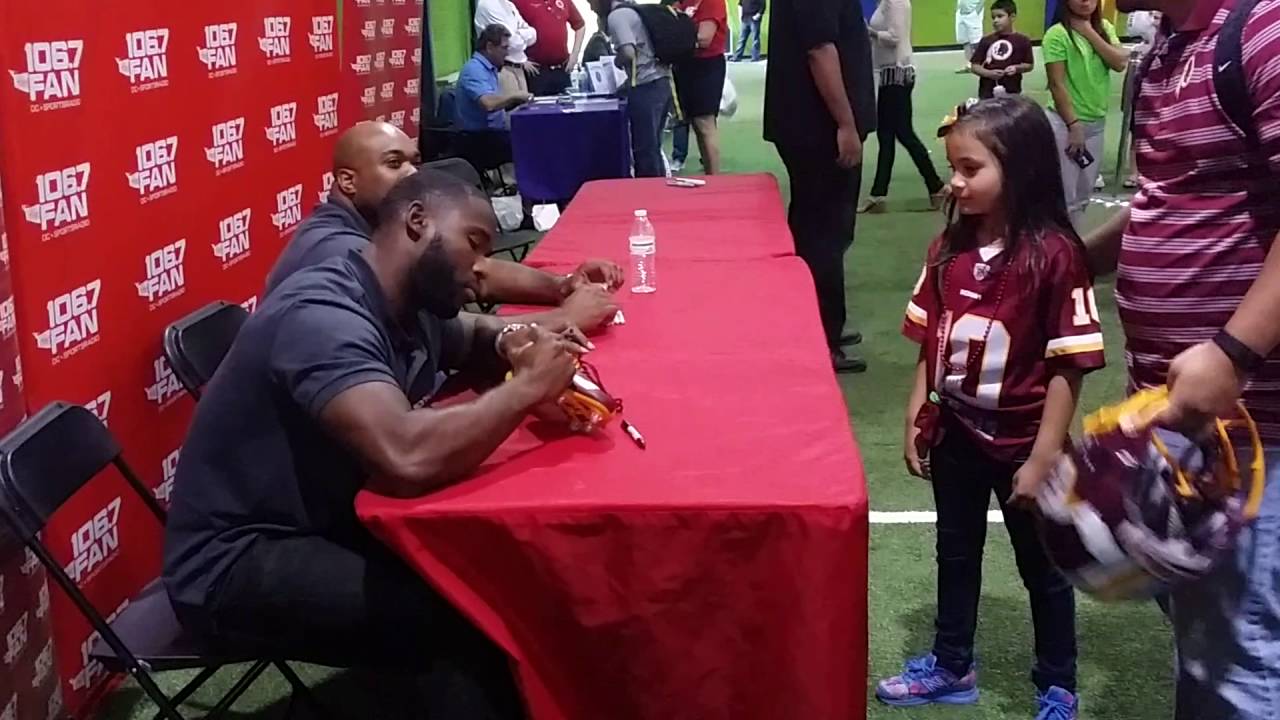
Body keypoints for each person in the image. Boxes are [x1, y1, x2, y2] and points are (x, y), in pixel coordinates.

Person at [164, 170, 586, 717]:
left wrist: (519, 342)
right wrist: (527, 387)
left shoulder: (405, 300)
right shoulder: (323, 313)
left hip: (327, 517)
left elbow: (473, 337)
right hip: (237, 560)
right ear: (417, 222)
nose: (483, 268)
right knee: (463, 608)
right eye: (474, 244)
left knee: (491, 571)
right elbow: (405, 454)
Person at [878, 96, 1103, 720]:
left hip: (1025, 441)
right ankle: (953, 664)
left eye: (971, 169)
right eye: (953, 167)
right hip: (956, 432)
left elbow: (1068, 366)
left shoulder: (1054, 255)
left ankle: (1057, 682)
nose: (956, 182)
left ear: (1022, 167)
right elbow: (931, 339)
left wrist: (1043, 455)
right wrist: (914, 414)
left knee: (1044, 570)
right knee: (955, 552)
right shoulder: (947, 248)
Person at [1086, 1, 1280, 717]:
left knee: (1240, 670)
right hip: (1182, 422)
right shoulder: (1168, 45)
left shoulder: (1263, 30)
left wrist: (1233, 353)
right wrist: (1064, 262)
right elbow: (1167, 200)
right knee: (1207, 648)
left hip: (1256, 429)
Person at [267, 122, 622, 342]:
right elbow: (449, 331)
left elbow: (474, 269)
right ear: (347, 181)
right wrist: (562, 319)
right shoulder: (338, 252)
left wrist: (563, 286)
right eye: (394, 164)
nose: (412, 175)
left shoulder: (382, 228)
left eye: (414, 163)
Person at [764, 0, 876, 373]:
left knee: (820, 229)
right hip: (818, 127)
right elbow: (819, 49)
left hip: (809, 124)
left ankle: (822, 326)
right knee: (824, 235)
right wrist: (845, 123)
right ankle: (820, 336)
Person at [1042, 0, 1126, 227]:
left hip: (1096, 123)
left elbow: (1119, 62)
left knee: (1083, 194)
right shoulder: (1056, 34)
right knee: (1064, 195)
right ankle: (1057, 250)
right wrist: (1073, 124)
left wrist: (1088, 32)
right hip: (1065, 124)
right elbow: (1056, 84)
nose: (1085, 1)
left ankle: (1071, 245)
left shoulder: (1105, 28)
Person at [859, 0, 947, 214]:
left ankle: (936, 186)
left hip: (897, 73)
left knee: (902, 134)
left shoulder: (894, 2)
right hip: (891, 72)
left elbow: (894, 37)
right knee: (888, 135)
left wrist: (869, 32)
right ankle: (879, 193)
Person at [592, 0, 673, 178]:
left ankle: (648, 196)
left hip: (645, 86)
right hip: (663, 82)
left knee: (644, 151)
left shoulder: (616, 16)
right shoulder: (633, 11)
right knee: (653, 148)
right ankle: (660, 193)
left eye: (591, 2)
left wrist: (616, 61)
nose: (591, 7)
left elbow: (628, 53)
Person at [455, 25, 534, 168]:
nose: (507, 53)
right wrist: (515, 95)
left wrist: (515, 101)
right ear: (490, 47)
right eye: (504, 48)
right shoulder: (474, 70)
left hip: (492, 134)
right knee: (532, 144)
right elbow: (489, 103)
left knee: (532, 134)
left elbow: (497, 103)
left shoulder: (489, 68)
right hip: (479, 140)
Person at [673, 0, 728, 175]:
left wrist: (675, 36)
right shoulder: (682, 2)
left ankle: (714, 176)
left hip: (706, 66)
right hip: (685, 65)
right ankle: (709, 173)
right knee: (697, 124)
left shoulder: (712, 2)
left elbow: (704, 38)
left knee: (705, 123)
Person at [513, 0, 587, 96]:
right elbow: (508, 29)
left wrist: (574, 55)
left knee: (566, 107)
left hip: (562, 69)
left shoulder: (565, 1)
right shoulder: (519, 2)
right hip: (536, 72)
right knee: (537, 109)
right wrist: (521, 60)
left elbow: (580, 26)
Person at [970, 0, 1034, 99]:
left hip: (1012, 91)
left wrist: (1016, 68)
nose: (995, 20)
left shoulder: (1023, 40)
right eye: (993, 17)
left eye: (1000, 16)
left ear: (1012, 17)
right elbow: (975, 66)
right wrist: (989, 74)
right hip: (987, 93)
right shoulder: (986, 40)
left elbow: (1029, 65)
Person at [475, 0, 539, 99]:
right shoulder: (487, 4)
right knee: (511, 111)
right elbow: (511, 42)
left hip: (519, 69)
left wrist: (519, 34)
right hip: (503, 68)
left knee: (525, 109)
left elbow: (533, 34)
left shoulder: (509, 5)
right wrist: (522, 35)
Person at [956, 0, 986, 72]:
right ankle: (969, 65)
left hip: (973, 14)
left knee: (976, 42)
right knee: (965, 40)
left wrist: (976, 12)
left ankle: (982, 64)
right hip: (961, 14)